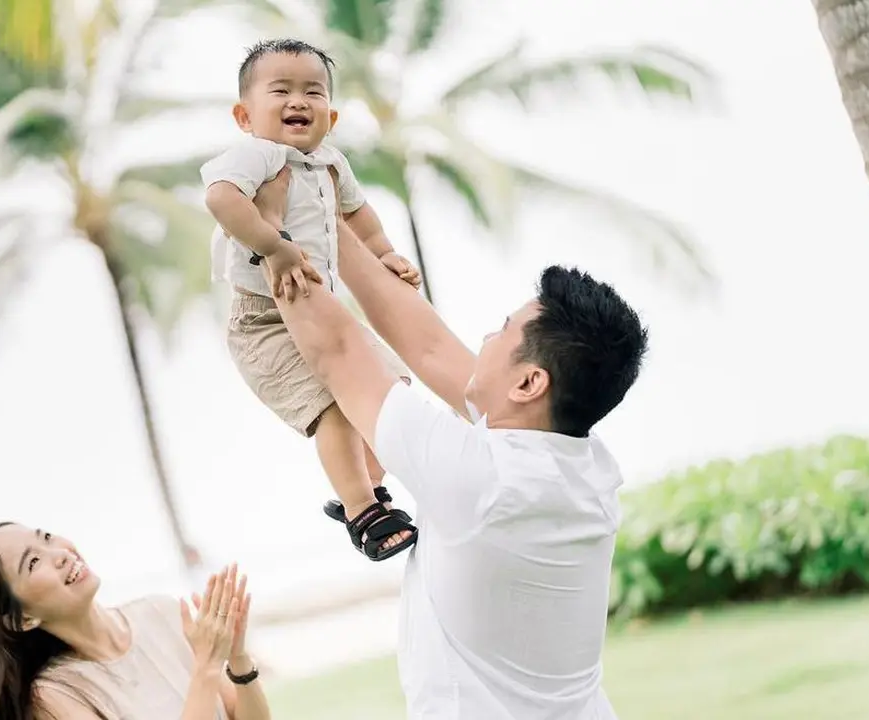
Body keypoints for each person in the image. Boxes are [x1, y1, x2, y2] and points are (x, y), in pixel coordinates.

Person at [252, 169, 649, 719]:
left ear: (529, 383)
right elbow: (430, 346)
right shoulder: (582, 465)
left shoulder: (483, 481)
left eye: (501, 331)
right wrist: (318, 199)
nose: (484, 339)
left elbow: (338, 351)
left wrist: (270, 239)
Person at [199, 38, 421, 562]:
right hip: (265, 320)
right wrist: (272, 247)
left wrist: (385, 252)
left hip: (322, 311)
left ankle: (360, 489)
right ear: (244, 115)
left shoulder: (329, 163)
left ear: (332, 115)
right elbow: (220, 197)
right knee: (332, 409)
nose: (299, 101)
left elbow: (359, 214)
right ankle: (364, 511)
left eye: (313, 92)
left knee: (391, 389)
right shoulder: (257, 154)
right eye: (281, 90)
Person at [0, 522, 271, 720]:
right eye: (33, 562)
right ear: (21, 619)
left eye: (46, 537)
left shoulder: (162, 613)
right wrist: (207, 665)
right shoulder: (54, 696)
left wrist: (238, 658)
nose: (58, 553)